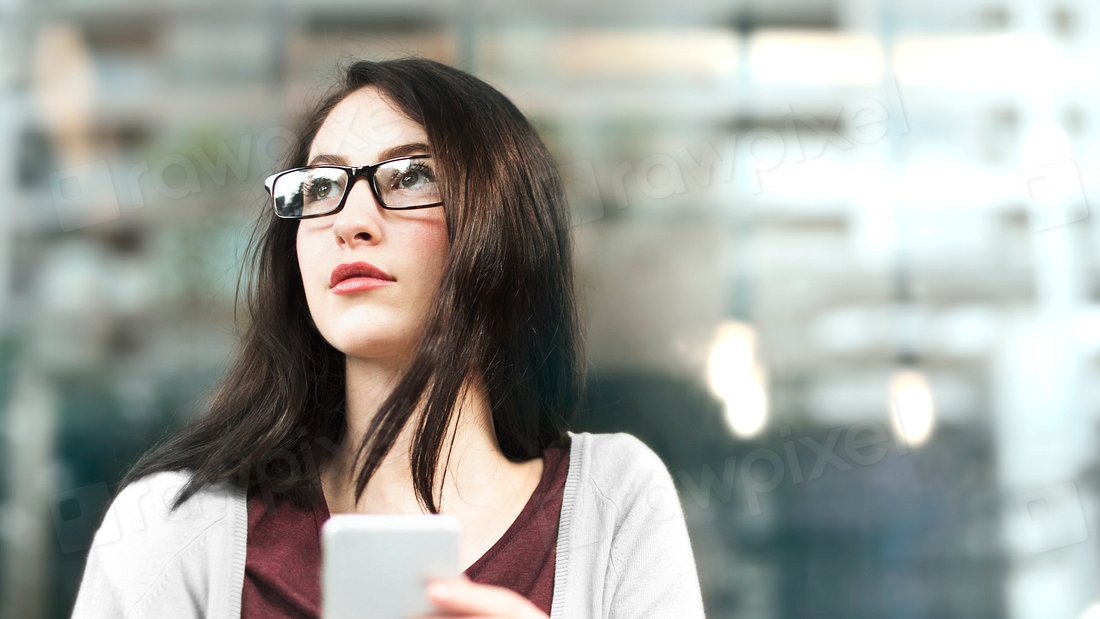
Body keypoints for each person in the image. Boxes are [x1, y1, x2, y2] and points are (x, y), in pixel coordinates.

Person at [70, 57, 705, 619]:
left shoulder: (612, 501)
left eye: (410, 177)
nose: (350, 221)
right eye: (319, 186)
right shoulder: (173, 526)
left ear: (505, 225)